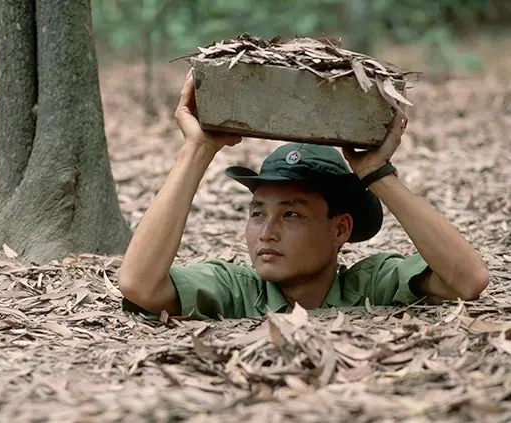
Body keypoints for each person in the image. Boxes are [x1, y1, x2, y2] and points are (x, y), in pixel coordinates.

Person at [118, 70, 489, 319]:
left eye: (291, 214)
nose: (267, 232)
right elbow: (139, 286)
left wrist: (377, 174)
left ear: (340, 229)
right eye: (258, 213)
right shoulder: (238, 292)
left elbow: (467, 281)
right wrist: (196, 150)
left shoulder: (369, 287)